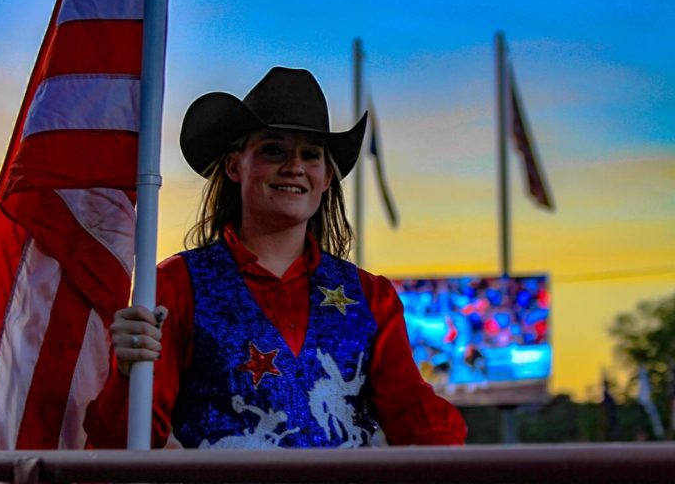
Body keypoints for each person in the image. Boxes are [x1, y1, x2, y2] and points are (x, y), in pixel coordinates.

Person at [84, 67, 467, 448]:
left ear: (326, 178)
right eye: (273, 150)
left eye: (310, 155)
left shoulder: (371, 295)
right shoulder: (176, 283)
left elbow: (415, 415)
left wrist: (459, 462)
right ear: (234, 165)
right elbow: (125, 442)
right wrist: (128, 372)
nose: (294, 167)